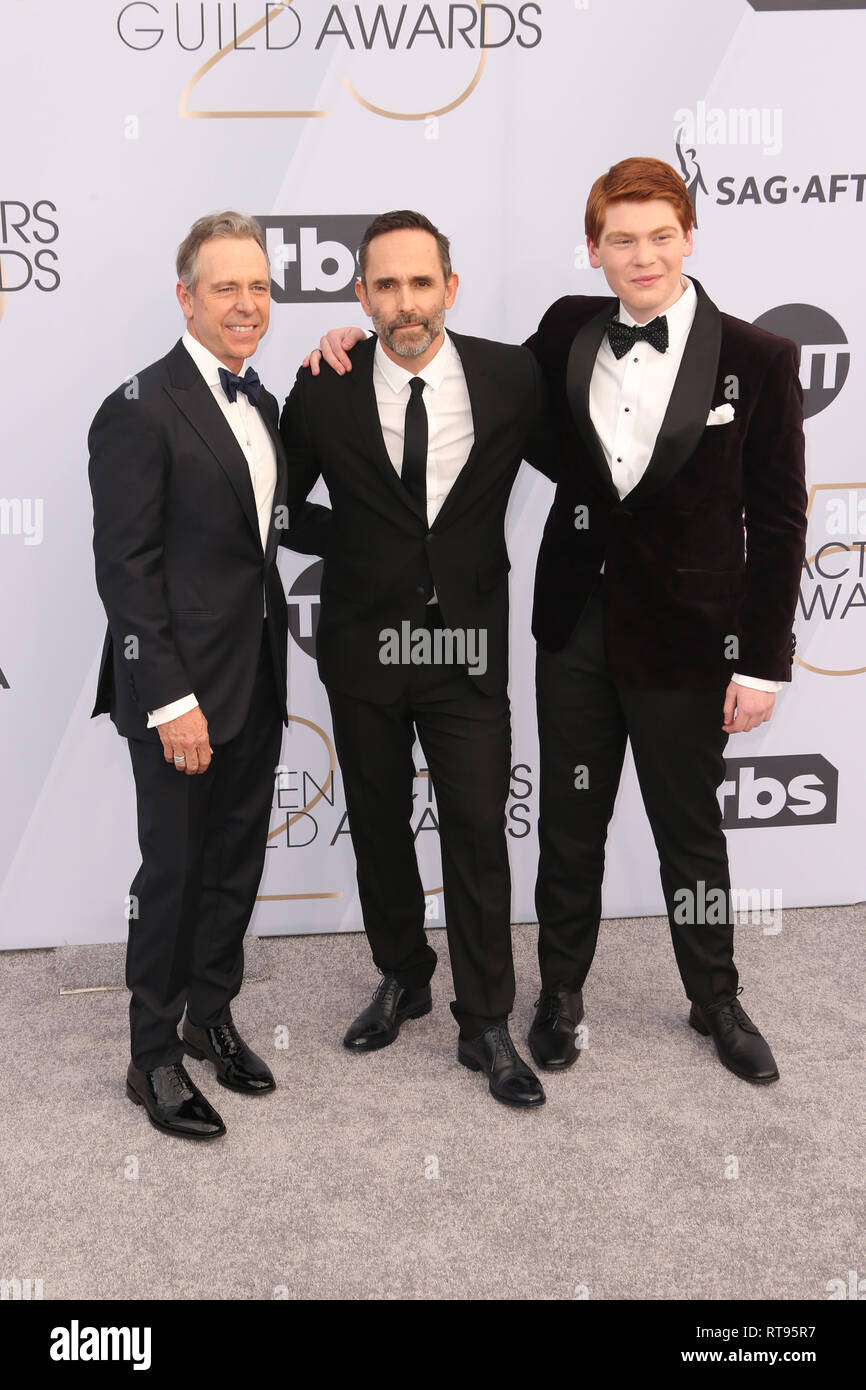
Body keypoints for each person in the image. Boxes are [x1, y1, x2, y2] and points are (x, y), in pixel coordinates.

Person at [312, 158, 808, 1086]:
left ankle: (715, 995)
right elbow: (462, 378)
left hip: (692, 637)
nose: (642, 254)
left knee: (689, 831)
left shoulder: (760, 357)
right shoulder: (566, 330)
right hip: (573, 627)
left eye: (660, 234)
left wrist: (763, 662)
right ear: (594, 249)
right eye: (621, 238)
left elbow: (780, 521)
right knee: (569, 827)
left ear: (690, 236)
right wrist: (357, 339)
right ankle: (561, 994)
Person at [280, 210, 553, 1109]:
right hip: (362, 645)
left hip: (463, 646)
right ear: (361, 295)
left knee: (477, 832)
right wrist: (356, 543)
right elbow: (274, 503)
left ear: (451, 287)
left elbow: (601, 431)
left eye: (421, 282)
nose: (406, 303)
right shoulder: (324, 384)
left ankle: (486, 1023)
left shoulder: (513, 376)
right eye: (386, 285)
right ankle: (403, 973)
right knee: (381, 823)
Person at [88, 211, 321, 1139]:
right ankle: (151, 1059)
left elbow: (272, 523)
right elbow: (126, 572)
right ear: (185, 296)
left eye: (259, 286)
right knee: (174, 873)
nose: (247, 303)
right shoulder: (138, 408)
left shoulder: (258, 401)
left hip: (258, 677)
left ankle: (208, 1015)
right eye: (226, 286)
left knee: (234, 863)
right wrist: (170, 701)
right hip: (178, 691)